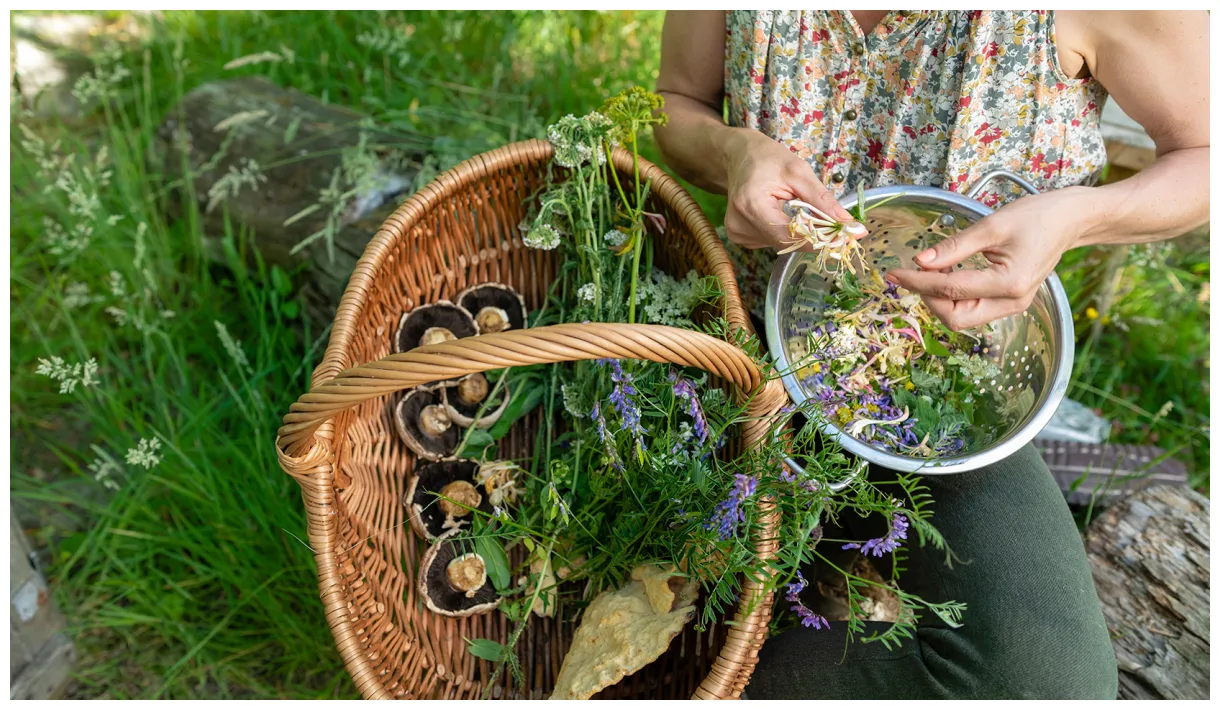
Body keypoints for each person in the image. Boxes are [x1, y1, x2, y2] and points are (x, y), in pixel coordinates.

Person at [654, 10, 1208, 700]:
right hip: (744, 348)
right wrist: (732, 151)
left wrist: (1075, 215)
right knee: (645, 591)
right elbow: (675, 104)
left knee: (1044, 679)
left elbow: (1204, 156)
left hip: (945, 400)